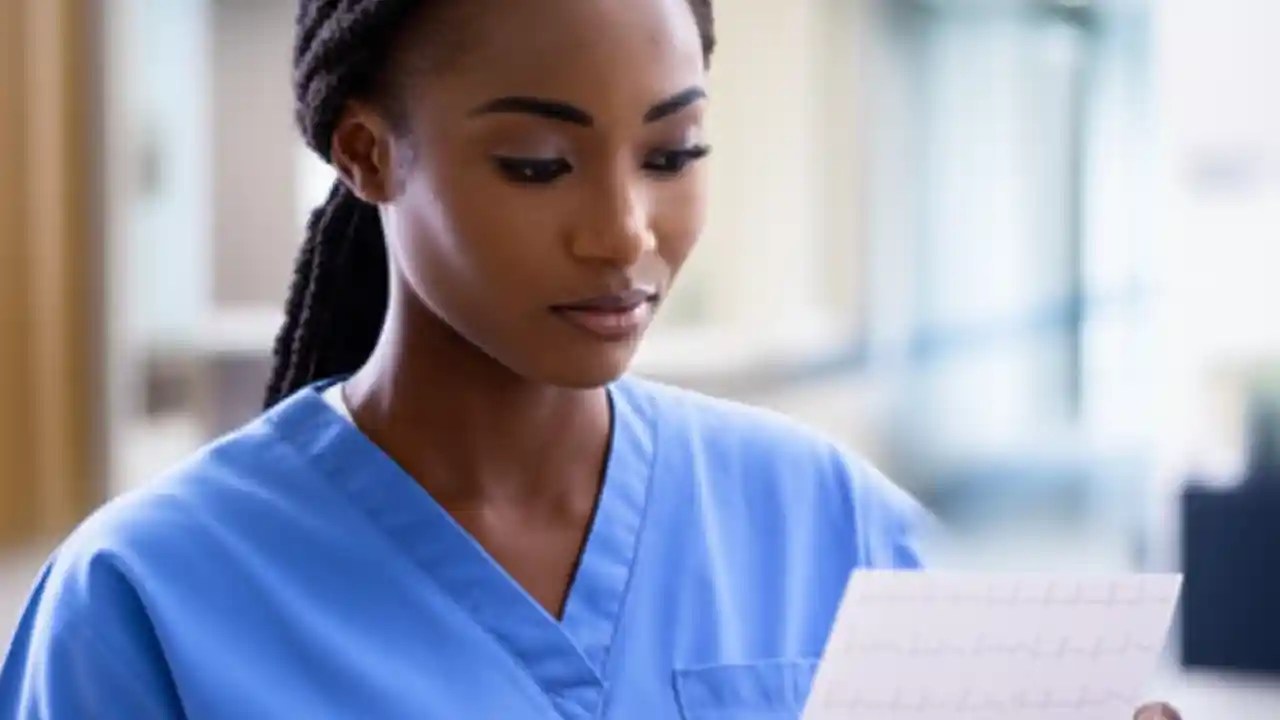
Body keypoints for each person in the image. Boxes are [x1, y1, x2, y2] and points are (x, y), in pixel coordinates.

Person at [0, 0, 1179, 717]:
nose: (624, 233)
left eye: (673, 154)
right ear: (366, 154)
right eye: (535, 164)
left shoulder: (826, 521)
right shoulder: (147, 601)